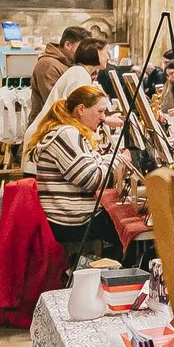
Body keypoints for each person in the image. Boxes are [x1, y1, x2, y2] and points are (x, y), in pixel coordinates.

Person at [26, 85, 130, 260]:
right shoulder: (67, 134)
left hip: (65, 215)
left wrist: (111, 159)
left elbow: (93, 163)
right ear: (81, 109)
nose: (103, 117)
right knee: (129, 230)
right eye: (100, 111)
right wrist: (121, 161)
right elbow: (92, 179)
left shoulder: (69, 132)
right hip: (71, 220)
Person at [30, 25, 86, 101]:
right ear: (68, 45)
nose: (84, 52)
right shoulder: (48, 64)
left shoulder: (71, 62)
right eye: (81, 48)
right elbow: (53, 102)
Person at [46, 38, 105, 110]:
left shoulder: (80, 71)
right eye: (105, 52)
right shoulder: (80, 74)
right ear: (95, 53)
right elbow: (76, 111)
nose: (108, 57)